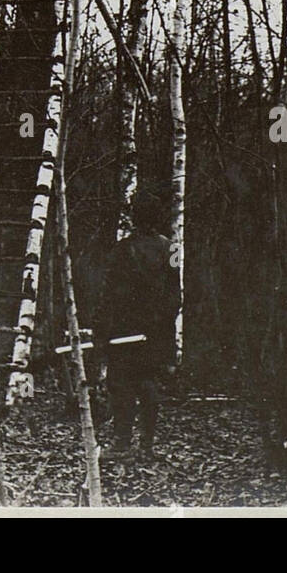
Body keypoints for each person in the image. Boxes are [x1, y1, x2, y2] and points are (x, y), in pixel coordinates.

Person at [94, 190, 181, 461]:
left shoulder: (122, 249)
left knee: (121, 384)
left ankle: (122, 444)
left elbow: (109, 294)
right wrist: (163, 321)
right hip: (156, 330)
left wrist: (102, 329)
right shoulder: (172, 248)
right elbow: (175, 293)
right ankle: (146, 446)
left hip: (125, 329)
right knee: (148, 383)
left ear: (134, 217)